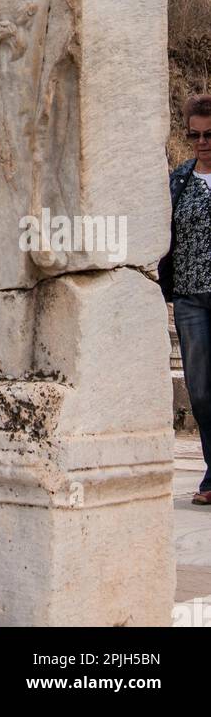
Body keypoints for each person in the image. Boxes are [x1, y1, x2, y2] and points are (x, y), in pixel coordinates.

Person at [159, 94, 211, 504]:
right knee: (201, 391)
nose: (202, 142)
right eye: (194, 135)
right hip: (191, 301)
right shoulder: (179, 179)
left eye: (209, 134)